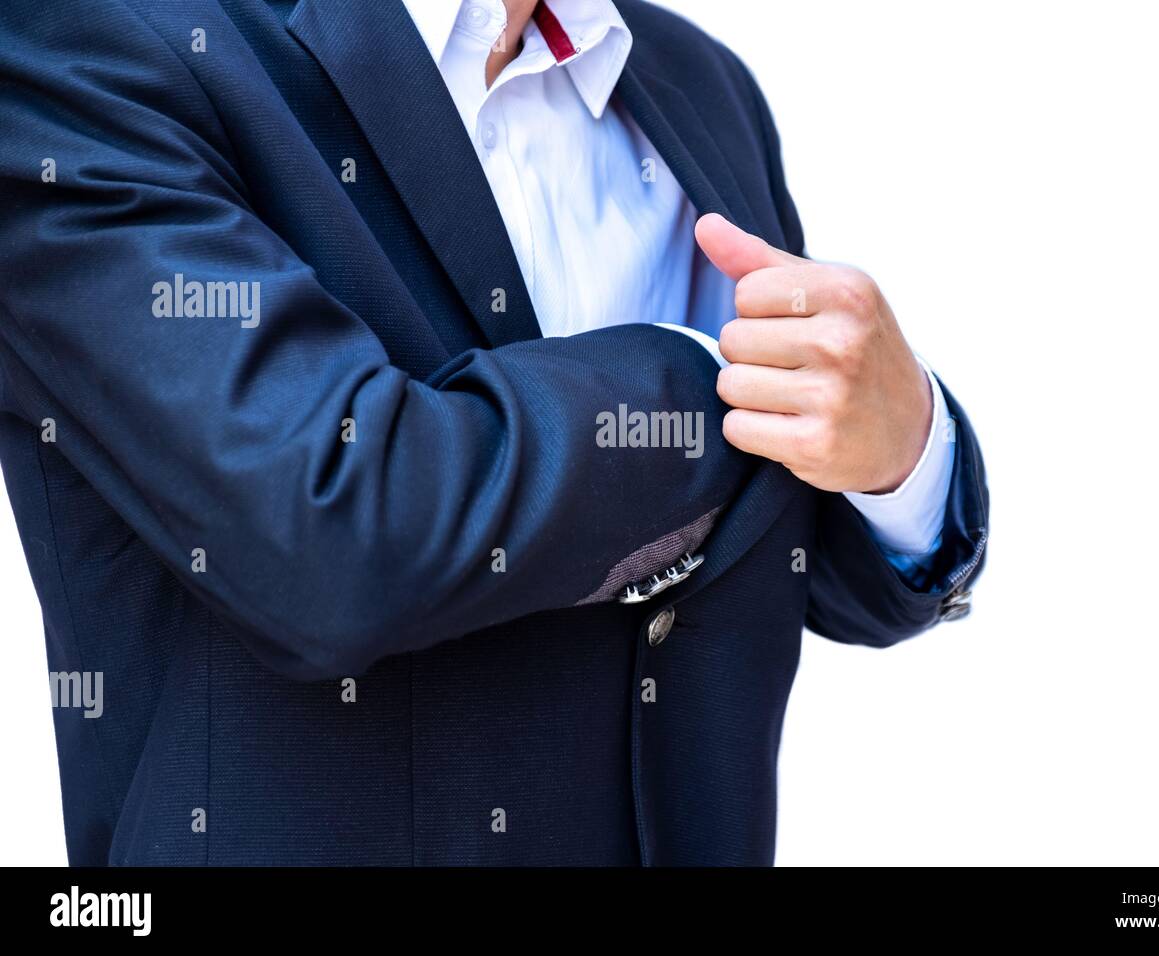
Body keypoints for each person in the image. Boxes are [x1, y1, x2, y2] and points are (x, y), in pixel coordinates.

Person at [0, 0, 988, 865]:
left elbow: (795, 554)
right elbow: (329, 532)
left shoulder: (698, 84)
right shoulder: (88, 45)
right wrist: (698, 380)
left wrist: (905, 448)